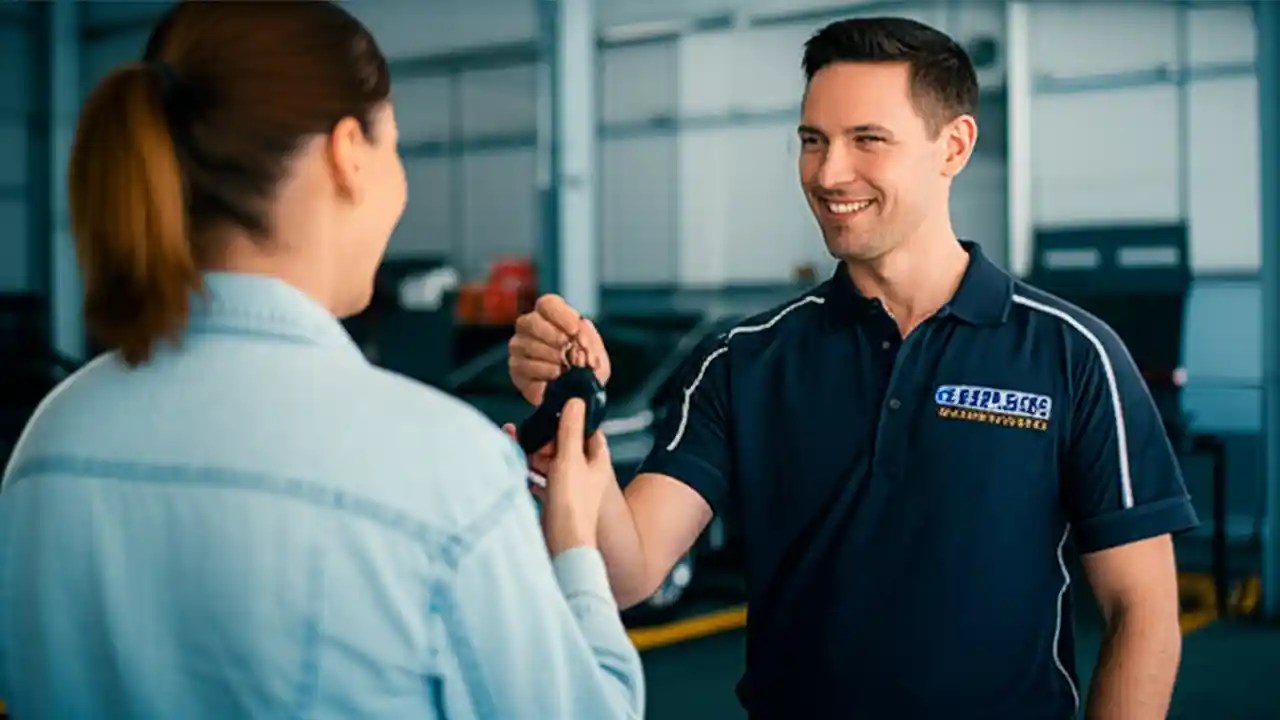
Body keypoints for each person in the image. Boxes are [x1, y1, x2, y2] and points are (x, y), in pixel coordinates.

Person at [508, 16, 1197, 720]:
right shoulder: (741, 360)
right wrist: (570, 436)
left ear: (953, 146)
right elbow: (629, 574)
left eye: (867, 139)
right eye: (813, 141)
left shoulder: (1074, 355)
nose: (829, 173)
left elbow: (1142, 611)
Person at [0, 3, 643, 719]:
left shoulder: (47, 447)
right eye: (395, 146)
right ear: (348, 154)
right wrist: (574, 548)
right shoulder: (440, 468)